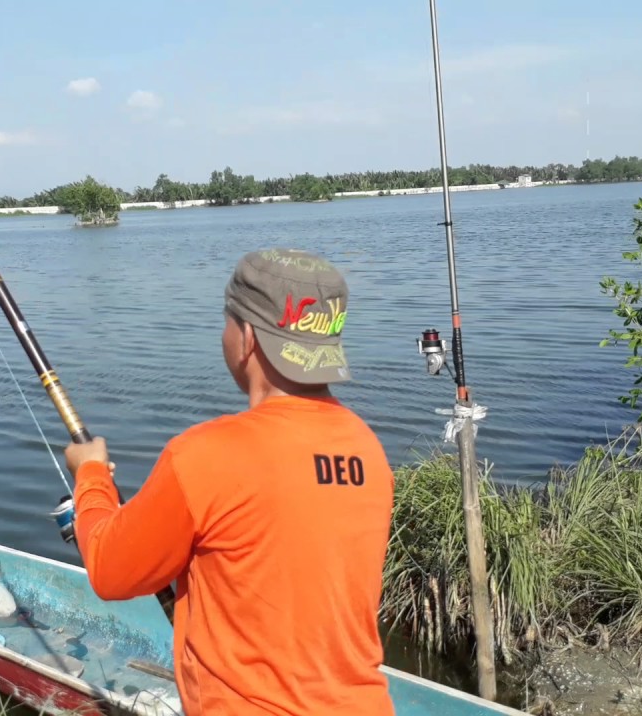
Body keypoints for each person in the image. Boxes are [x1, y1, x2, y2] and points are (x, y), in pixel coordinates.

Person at [63, 248, 395, 715]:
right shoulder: (368, 450)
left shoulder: (204, 454)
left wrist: (91, 475)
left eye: (227, 321)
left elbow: (110, 570)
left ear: (247, 339)